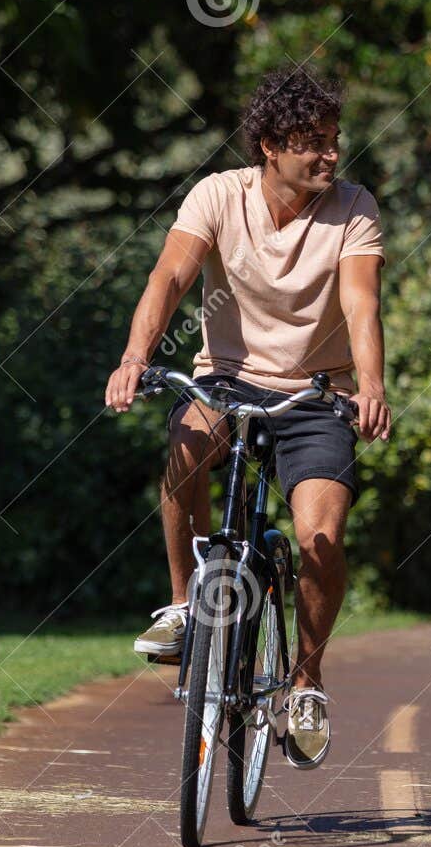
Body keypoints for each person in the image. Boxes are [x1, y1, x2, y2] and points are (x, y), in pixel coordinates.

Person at [103, 65, 392, 769]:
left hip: (318, 392)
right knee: (183, 451)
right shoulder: (218, 195)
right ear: (268, 145)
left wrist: (372, 384)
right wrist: (135, 354)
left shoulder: (356, 209)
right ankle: (180, 604)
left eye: (333, 140)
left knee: (320, 538)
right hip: (228, 380)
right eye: (310, 143)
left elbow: (360, 304)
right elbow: (169, 276)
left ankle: (307, 680)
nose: (328, 154)